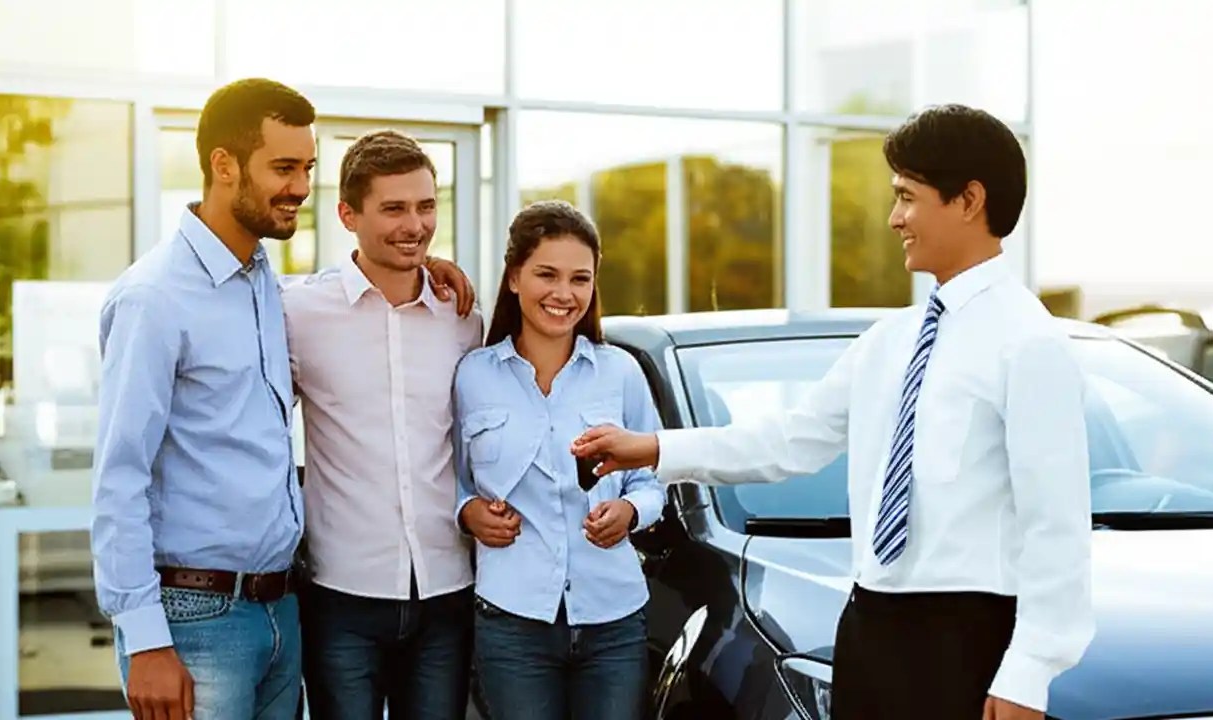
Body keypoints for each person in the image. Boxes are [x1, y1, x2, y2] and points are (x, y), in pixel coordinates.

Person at [572, 104, 1095, 720]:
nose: (893, 217)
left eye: (907, 196)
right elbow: (791, 440)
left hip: (968, 640)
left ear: (969, 200)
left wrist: (1029, 670)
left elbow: (1056, 527)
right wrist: (656, 450)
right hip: (870, 629)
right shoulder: (887, 342)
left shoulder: (1029, 343)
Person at [90, 78, 473, 720]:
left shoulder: (265, 284)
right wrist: (144, 635)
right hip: (195, 618)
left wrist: (421, 265)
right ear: (223, 165)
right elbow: (119, 477)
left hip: (280, 610)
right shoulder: (154, 298)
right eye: (284, 168)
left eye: (307, 167)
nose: (300, 186)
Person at [282, 129, 481, 719]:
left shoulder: (463, 315)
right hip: (341, 595)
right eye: (393, 208)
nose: (414, 225)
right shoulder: (297, 312)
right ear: (348, 214)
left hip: (447, 592)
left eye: (425, 207)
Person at [453, 200, 665, 720]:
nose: (563, 294)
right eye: (546, 274)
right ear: (513, 279)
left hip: (613, 617)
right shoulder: (472, 376)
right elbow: (452, 481)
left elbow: (654, 479)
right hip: (512, 619)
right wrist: (467, 513)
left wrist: (631, 512)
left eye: (580, 279)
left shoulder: (621, 374)